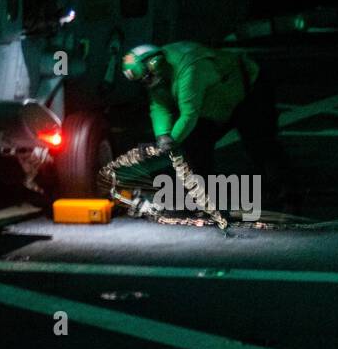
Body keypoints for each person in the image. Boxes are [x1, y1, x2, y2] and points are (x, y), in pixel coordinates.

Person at [117, 41, 300, 217]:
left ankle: (290, 196)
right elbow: (159, 105)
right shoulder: (156, 73)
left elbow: (189, 113)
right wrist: (163, 135)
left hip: (248, 91)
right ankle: (203, 200)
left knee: (261, 145)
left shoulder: (190, 67)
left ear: (154, 64)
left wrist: (172, 140)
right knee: (195, 147)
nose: (147, 83)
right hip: (215, 101)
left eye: (147, 78)